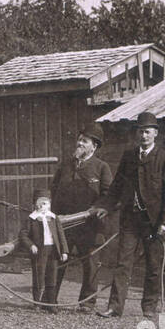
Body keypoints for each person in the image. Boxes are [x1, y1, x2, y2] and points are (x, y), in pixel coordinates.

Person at [100, 112, 165, 318]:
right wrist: (105, 206)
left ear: (155, 134)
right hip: (130, 220)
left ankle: (149, 307)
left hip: (153, 221)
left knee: (153, 265)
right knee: (123, 263)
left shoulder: (164, 158)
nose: (143, 136)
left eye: (147, 132)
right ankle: (115, 307)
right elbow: (116, 186)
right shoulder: (129, 157)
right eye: (141, 131)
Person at [49, 122, 115, 312]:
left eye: (84, 141)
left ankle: (87, 303)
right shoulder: (66, 166)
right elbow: (53, 190)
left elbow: (108, 195)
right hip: (64, 223)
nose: (79, 143)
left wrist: (97, 209)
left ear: (94, 146)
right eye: (79, 140)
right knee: (58, 259)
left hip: (89, 225)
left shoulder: (101, 167)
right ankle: (49, 300)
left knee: (91, 263)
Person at [18, 189, 68, 312]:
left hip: (53, 251)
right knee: (38, 276)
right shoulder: (32, 218)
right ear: (35, 205)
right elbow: (23, 235)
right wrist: (31, 245)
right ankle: (37, 303)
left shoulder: (54, 218)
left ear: (49, 204)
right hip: (40, 251)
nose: (42, 207)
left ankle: (51, 304)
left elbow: (61, 235)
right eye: (39, 204)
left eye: (45, 204)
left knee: (52, 276)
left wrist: (64, 251)